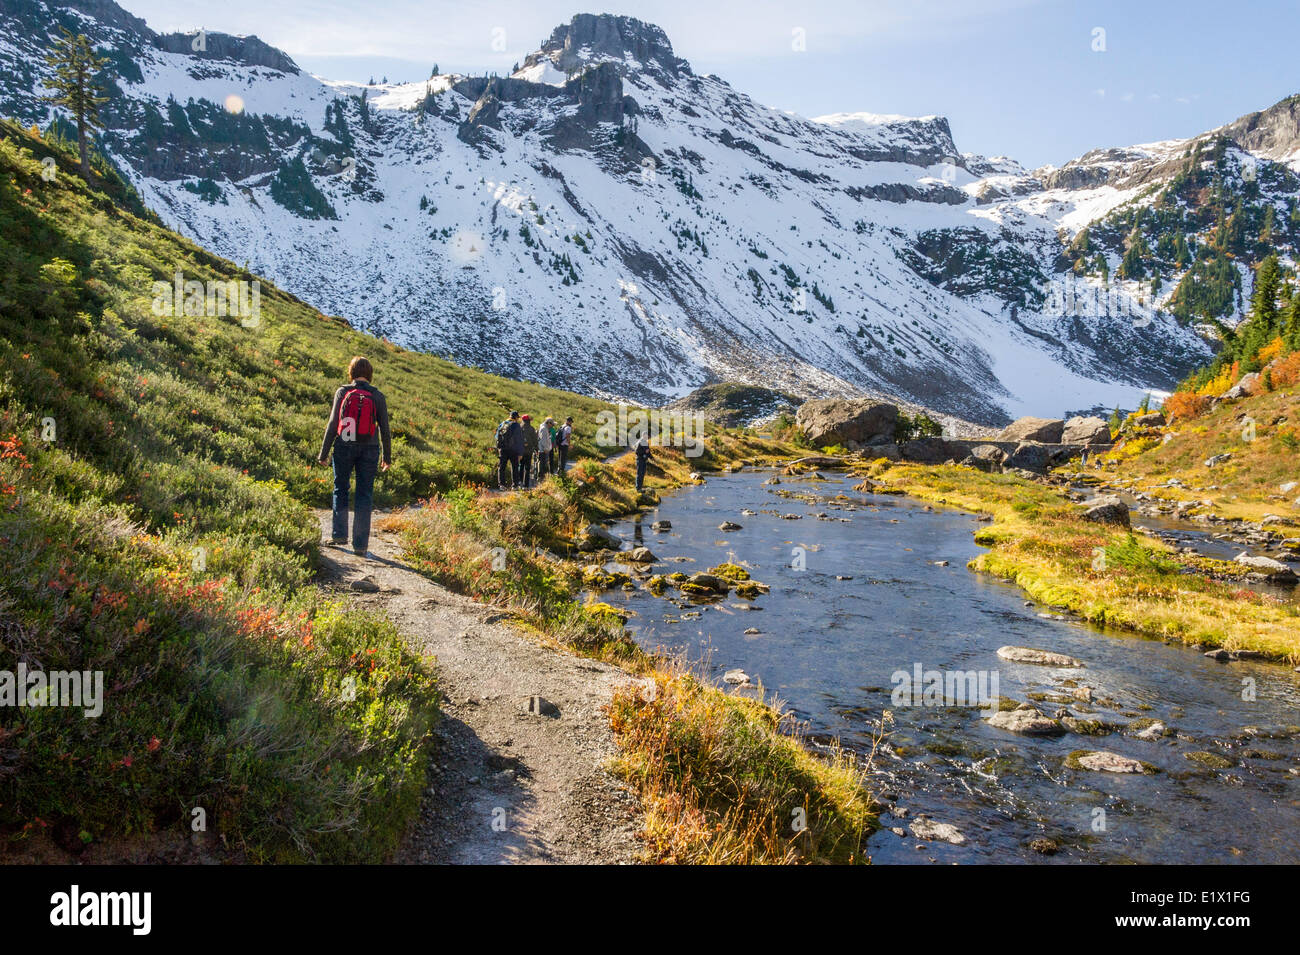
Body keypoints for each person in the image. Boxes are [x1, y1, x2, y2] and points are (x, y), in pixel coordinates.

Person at [319, 355, 392, 557]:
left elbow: (333, 424)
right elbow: (385, 429)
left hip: (344, 445)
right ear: (370, 374)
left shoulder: (343, 392)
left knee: (340, 488)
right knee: (364, 495)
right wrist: (387, 457)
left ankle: (339, 535)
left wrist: (323, 453)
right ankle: (360, 545)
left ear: (351, 372)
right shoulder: (377, 396)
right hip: (369, 449)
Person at [495, 411, 523, 490]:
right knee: (514, 467)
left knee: (502, 467)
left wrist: (499, 447)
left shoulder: (503, 424)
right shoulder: (516, 425)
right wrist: (520, 453)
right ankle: (515, 485)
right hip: (513, 450)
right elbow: (519, 440)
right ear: (516, 418)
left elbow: (497, 436)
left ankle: (501, 485)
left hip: (503, 449)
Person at [521, 414, 538, 488]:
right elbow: (535, 440)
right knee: (527, 468)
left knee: (520, 466)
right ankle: (526, 485)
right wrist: (537, 449)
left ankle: (519, 482)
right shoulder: (531, 429)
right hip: (529, 451)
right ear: (528, 421)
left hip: (520, 450)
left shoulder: (519, 428)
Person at [537, 415, 553, 479]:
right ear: (548, 423)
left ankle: (542, 475)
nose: (552, 426)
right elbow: (543, 440)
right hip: (543, 450)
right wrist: (546, 448)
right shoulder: (544, 429)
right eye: (552, 424)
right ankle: (541, 476)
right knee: (542, 463)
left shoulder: (545, 428)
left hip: (544, 449)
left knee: (543, 463)